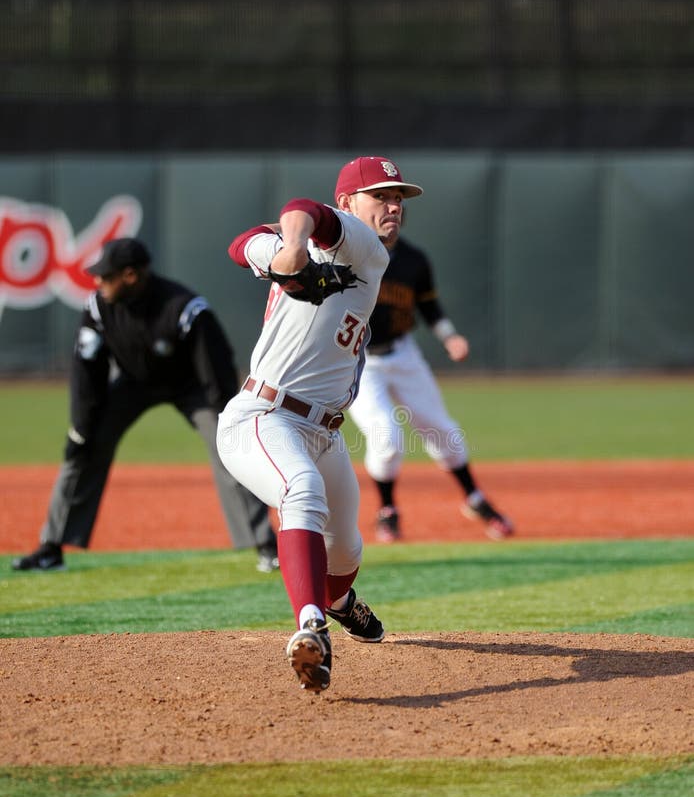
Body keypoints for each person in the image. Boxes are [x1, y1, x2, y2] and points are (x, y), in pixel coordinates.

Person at [217, 156, 423, 693]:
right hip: (263, 416)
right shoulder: (342, 235)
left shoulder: (369, 250)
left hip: (324, 432)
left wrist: (283, 251)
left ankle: (338, 602)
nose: (394, 206)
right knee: (300, 491)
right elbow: (272, 226)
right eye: (382, 195)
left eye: (399, 198)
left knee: (347, 550)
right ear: (349, 202)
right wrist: (285, 250)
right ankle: (311, 626)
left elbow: (267, 231)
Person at [12, 237, 278, 574]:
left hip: (192, 386)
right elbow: (86, 372)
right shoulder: (99, 307)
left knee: (229, 446)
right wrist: (81, 428)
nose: (98, 282)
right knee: (85, 446)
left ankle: (265, 544)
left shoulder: (184, 307)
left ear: (130, 275)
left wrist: (227, 417)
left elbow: (216, 368)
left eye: (106, 276)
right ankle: (51, 547)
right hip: (133, 383)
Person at [347, 233, 514, 543]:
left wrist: (450, 336)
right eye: (384, 206)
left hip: (403, 353)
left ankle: (474, 497)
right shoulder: (346, 253)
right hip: (360, 360)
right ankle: (387, 509)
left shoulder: (413, 259)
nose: (392, 211)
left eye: (397, 207)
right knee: (386, 436)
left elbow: (428, 305)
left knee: (443, 430)